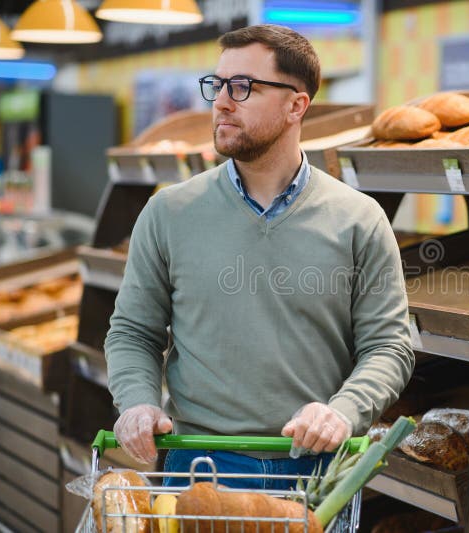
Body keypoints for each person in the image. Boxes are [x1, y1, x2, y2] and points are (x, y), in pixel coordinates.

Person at [104, 24, 414, 489]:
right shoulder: (169, 212)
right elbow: (132, 331)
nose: (222, 102)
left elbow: (388, 346)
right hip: (200, 470)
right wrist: (137, 400)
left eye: (243, 87)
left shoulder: (359, 219)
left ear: (296, 105)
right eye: (218, 85)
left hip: (316, 472)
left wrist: (341, 412)